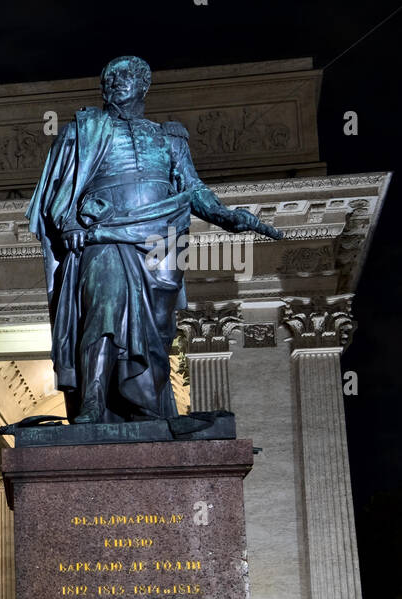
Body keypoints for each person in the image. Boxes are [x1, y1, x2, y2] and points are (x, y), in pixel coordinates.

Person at [27, 56, 280, 424]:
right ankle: (93, 402)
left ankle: (142, 402)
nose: (115, 83)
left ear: (144, 85)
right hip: (106, 236)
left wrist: (226, 215)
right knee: (105, 308)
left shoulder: (168, 137)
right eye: (109, 79)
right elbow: (56, 192)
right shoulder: (82, 132)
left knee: (156, 333)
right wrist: (70, 223)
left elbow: (192, 188)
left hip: (161, 241)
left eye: (124, 77)